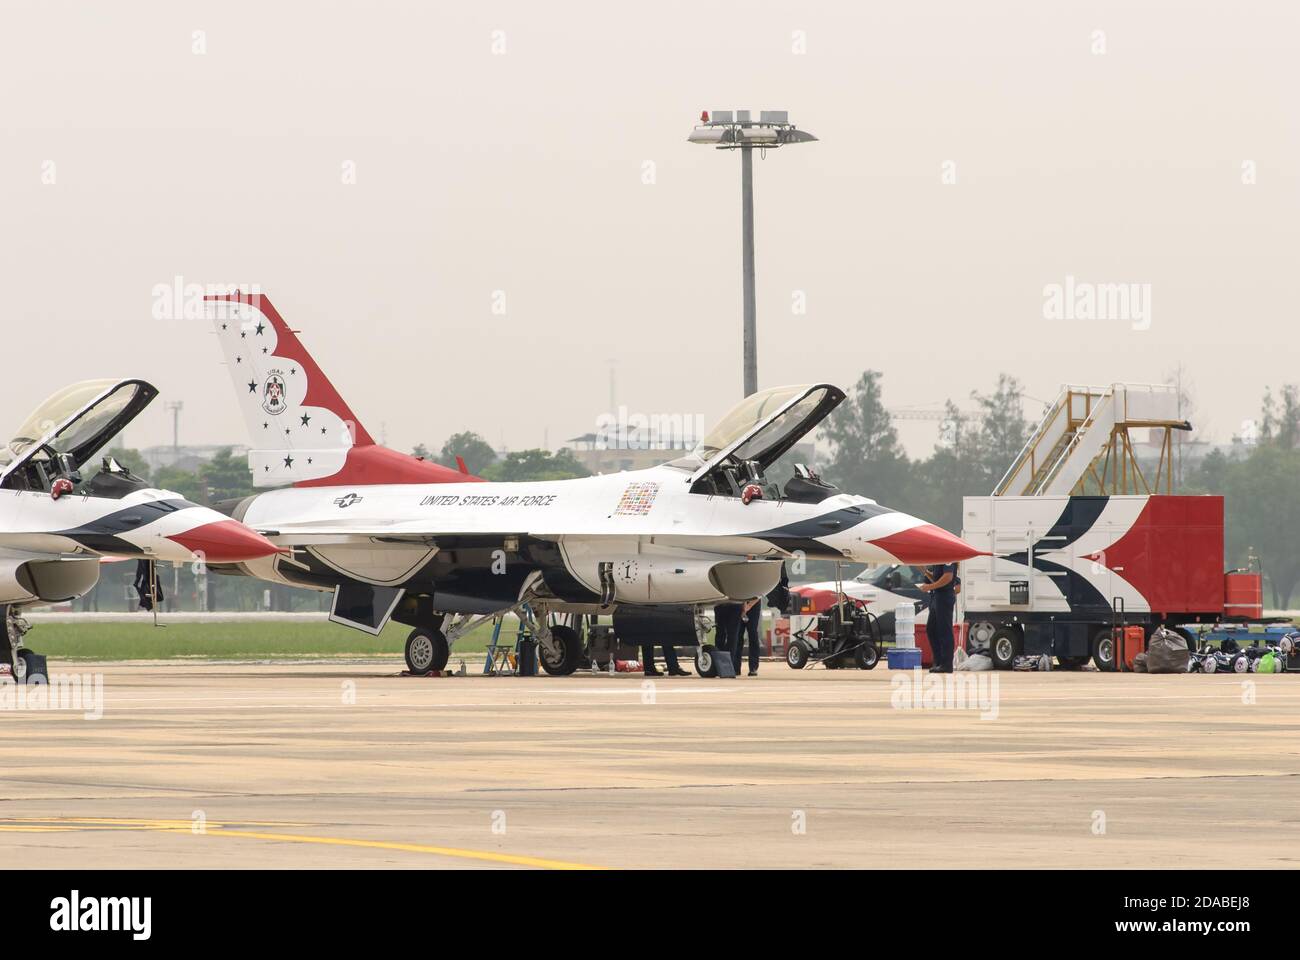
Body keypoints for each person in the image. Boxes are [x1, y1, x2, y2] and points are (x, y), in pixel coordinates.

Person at [919, 562, 957, 673]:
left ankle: (946, 664)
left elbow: (948, 577)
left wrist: (930, 587)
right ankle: (939, 661)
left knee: (945, 630)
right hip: (937, 595)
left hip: (944, 596)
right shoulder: (939, 558)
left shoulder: (948, 556)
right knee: (931, 629)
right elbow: (937, 579)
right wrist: (926, 572)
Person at [713, 601, 743, 676]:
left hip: (722, 603)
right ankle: (729, 666)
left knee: (721, 635)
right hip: (734, 603)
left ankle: (720, 666)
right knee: (732, 636)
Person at [739, 597, 762, 676]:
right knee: (738, 635)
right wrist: (743, 605)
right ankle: (735, 667)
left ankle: (753, 667)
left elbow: (760, 593)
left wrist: (748, 606)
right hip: (740, 603)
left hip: (754, 603)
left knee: (753, 633)